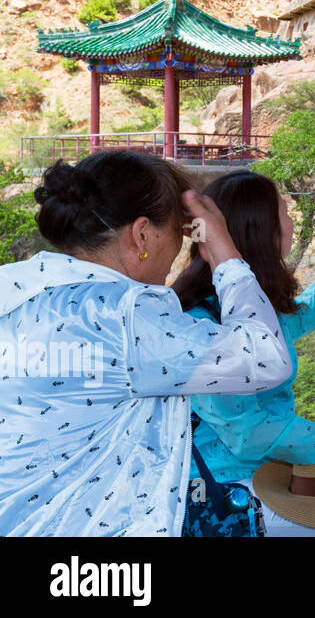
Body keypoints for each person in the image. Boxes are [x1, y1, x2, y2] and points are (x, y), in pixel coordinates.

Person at [0, 151, 292, 536]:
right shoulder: (125, 316)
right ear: (140, 235)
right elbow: (267, 357)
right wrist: (223, 248)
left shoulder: (14, 291)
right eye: (176, 231)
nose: (177, 250)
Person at [171, 170, 315, 537]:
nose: (292, 222)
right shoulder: (205, 325)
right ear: (263, 229)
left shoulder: (252, 307)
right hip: (225, 493)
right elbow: (249, 435)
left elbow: (312, 306)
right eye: (285, 212)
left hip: (263, 476)